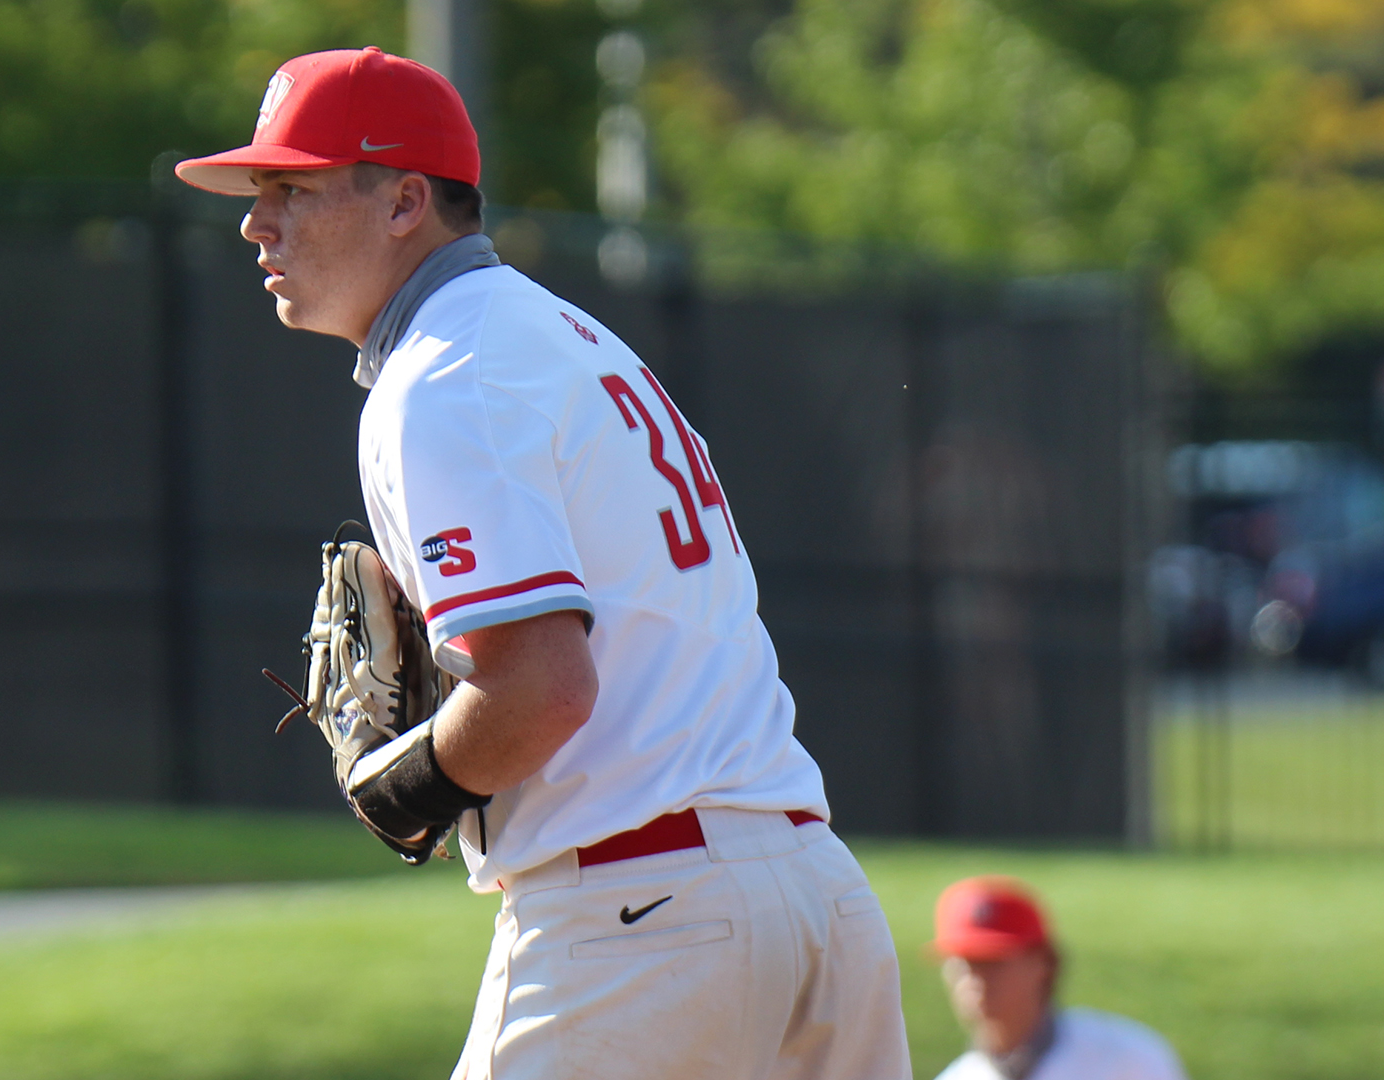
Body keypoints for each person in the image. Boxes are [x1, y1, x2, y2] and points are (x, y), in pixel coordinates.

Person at [174, 46, 910, 1080]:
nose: (257, 222)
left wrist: (408, 783)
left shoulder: (442, 376)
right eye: (258, 193)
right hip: (814, 903)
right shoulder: (566, 336)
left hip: (644, 924)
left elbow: (543, 689)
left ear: (404, 202)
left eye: (291, 188)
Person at [931, 876, 1189, 1080]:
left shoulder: (1128, 1057)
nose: (975, 978)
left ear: (1044, 962)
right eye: (964, 963)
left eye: (994, 961)